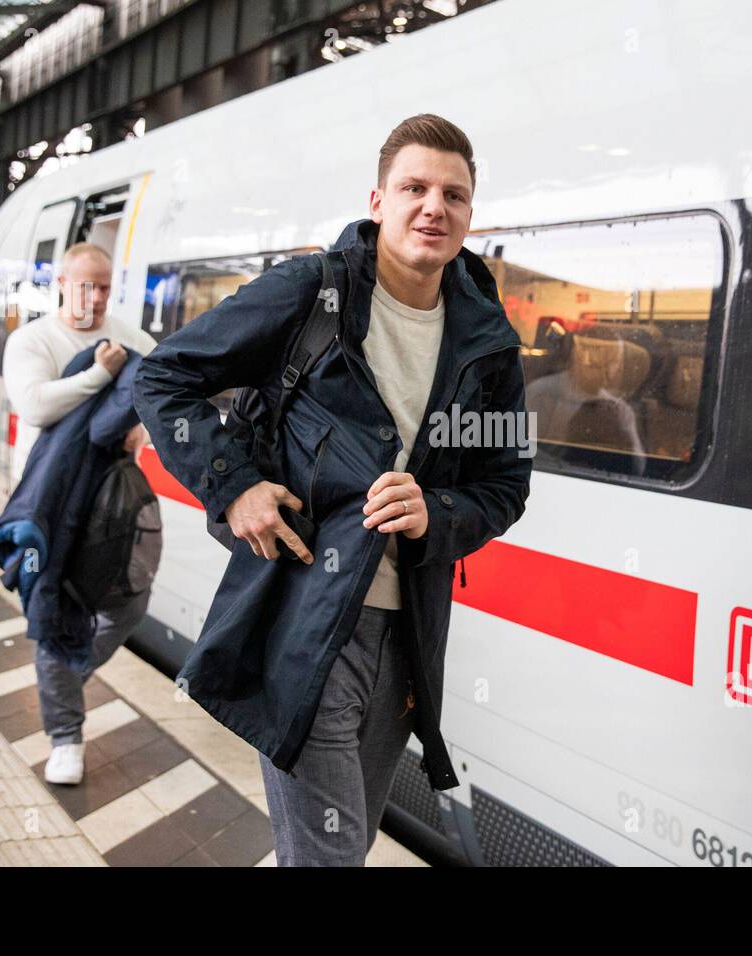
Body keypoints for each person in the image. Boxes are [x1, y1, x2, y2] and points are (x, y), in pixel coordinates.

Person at [133, 114, 533, 865]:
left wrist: (438, 510)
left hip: (409, 635)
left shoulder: (490, 343)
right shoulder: (310, 294)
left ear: (471, 213)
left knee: (333, 845)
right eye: (413, 187)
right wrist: (234, 487)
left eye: (454, 194)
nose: (433, 208)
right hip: (306, 617)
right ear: (377, 201)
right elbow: (162, 376)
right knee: (334, 850)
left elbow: (507, 482)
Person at [2, 242, 158, 785]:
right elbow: (36, 405)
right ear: (61, 284)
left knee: (129, 607)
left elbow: (165, 390)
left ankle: (66, 672)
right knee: (52, 617)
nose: (93, 296)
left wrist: (143, 424)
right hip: (46, 507)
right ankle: (65, 737)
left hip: (112, 509)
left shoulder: (131, 337)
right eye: (83, 284)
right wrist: (98, 375)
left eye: (102, 286)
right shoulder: (33, 340)